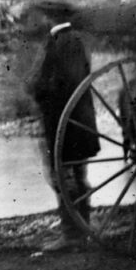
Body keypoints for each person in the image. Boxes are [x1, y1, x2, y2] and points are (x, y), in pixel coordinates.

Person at [30, 21, 99, 235]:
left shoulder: (63, 42)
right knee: (74, 176)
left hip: (67, 126)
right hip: (75, 123)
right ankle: (79, 227)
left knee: (65, 177)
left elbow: (64, 84)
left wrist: (36, 88)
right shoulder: (70, 40)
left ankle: (73, 232)